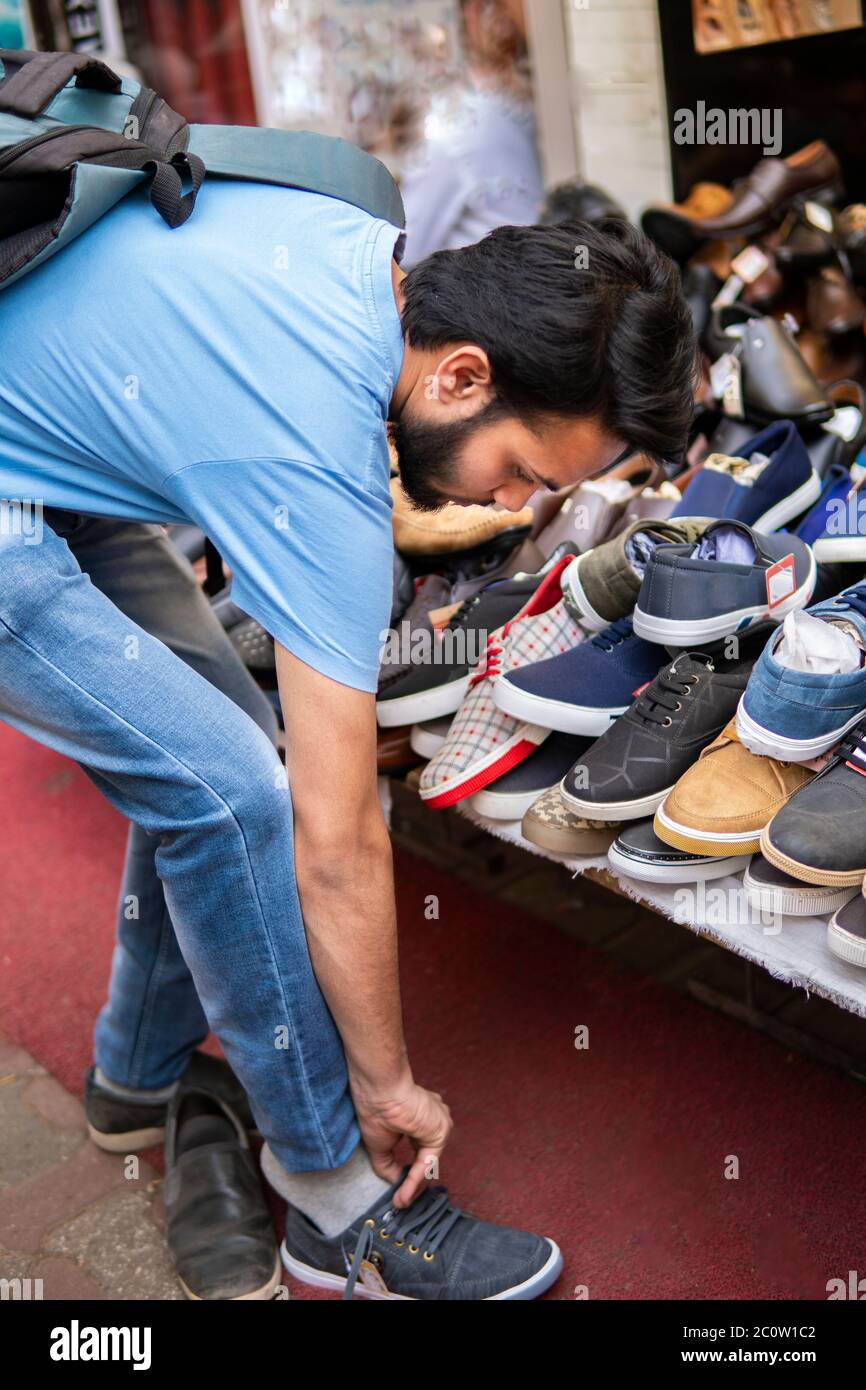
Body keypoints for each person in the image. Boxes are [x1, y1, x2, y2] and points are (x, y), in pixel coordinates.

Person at [0, 170, 695, 1299]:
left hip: (41, 447)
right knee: (233, 792)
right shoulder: (315, 458)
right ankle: (335, 1201)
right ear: (462, 372)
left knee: (205, 742)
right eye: (520, 470)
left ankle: (133, 1076)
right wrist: (386, 1086)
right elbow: (333, 841)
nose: (514, 507)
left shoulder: (355, 229)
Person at [398, 0, 543, 267]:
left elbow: (402, 251)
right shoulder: (458, 132)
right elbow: (403, 249)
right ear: (478, 11)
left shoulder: (520, 112)